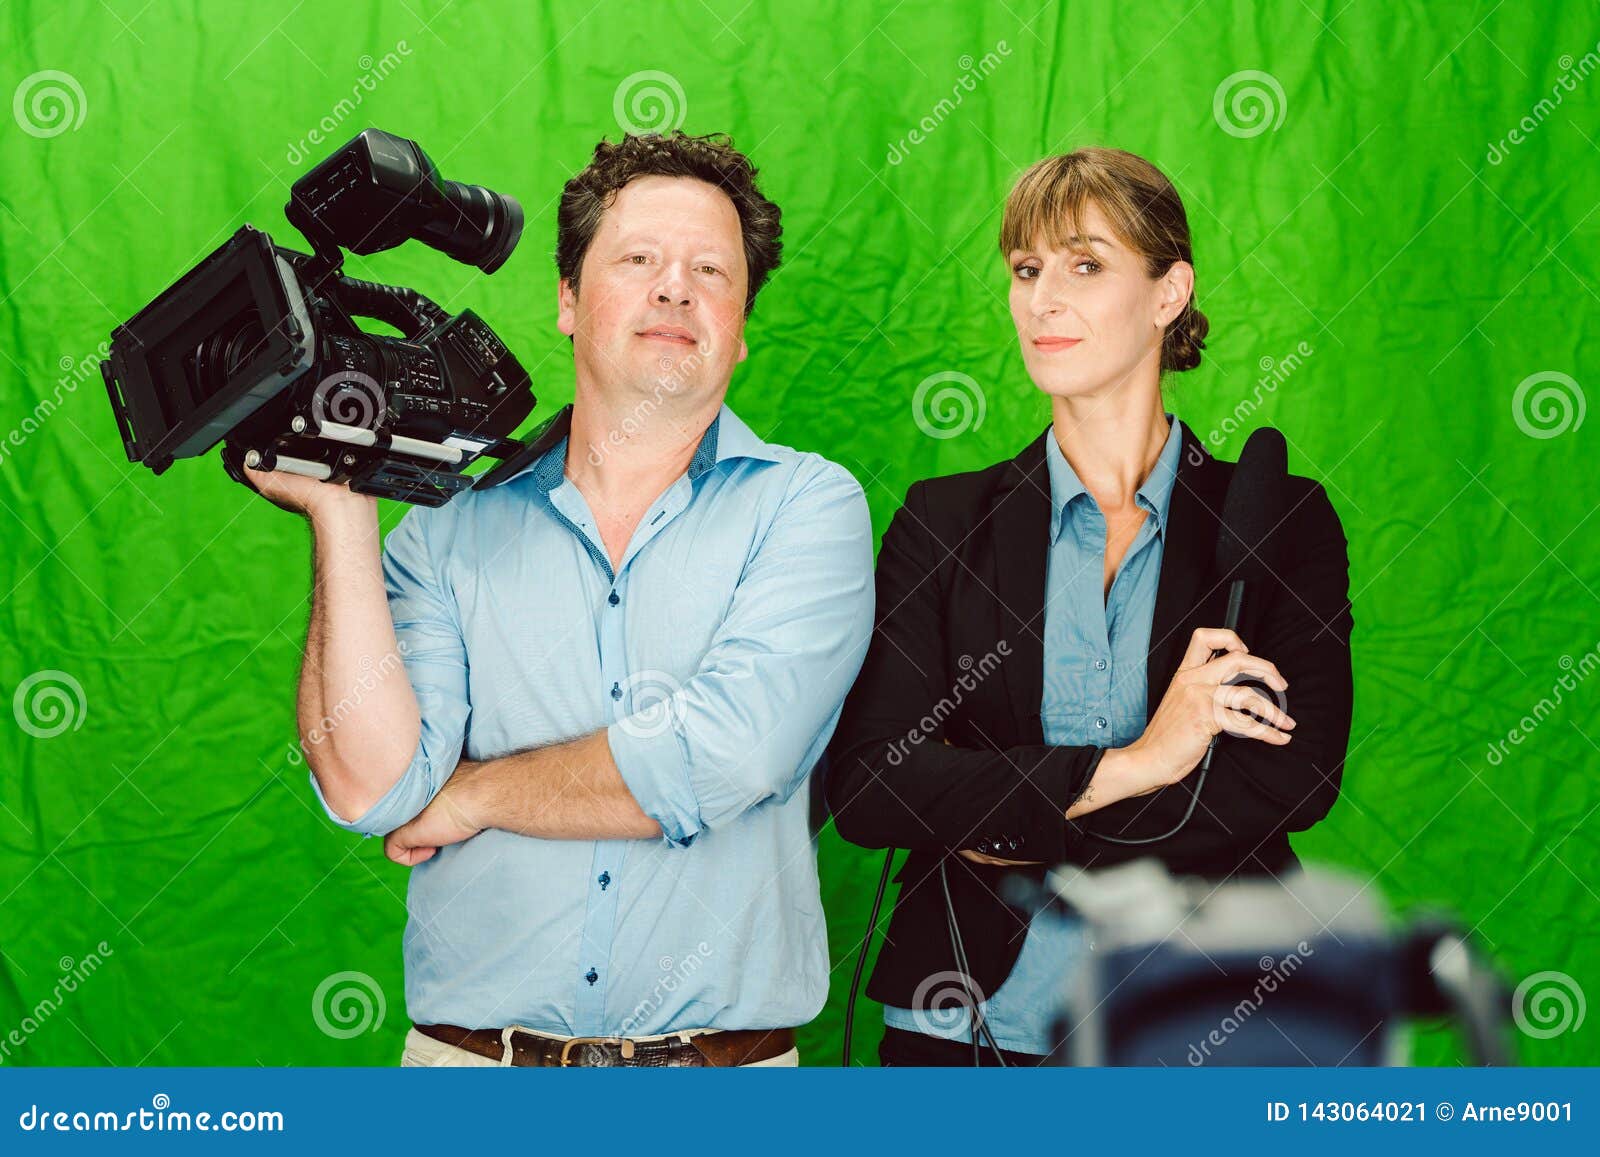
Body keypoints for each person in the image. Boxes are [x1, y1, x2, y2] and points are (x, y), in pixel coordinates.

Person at [247, 130, 874, 1067]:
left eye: (712, 269)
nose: (675, 288)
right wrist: (344, 514)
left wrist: (474, 797)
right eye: (638, 260)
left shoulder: (806, 506)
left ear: (741, 328)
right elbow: (374, 786)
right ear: (570, 301)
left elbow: (728, 752)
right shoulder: (446, 529)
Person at [825, 146, 1354, 1067]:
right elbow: (874, 787)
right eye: (1026, 270)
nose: (1042, 298)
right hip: (964, 1033)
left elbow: (1292, 779)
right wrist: (1144, 759)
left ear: (1168, 292)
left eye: (1085, 264)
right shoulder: (943, 521)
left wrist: (997, 816)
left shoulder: (1278, 517)